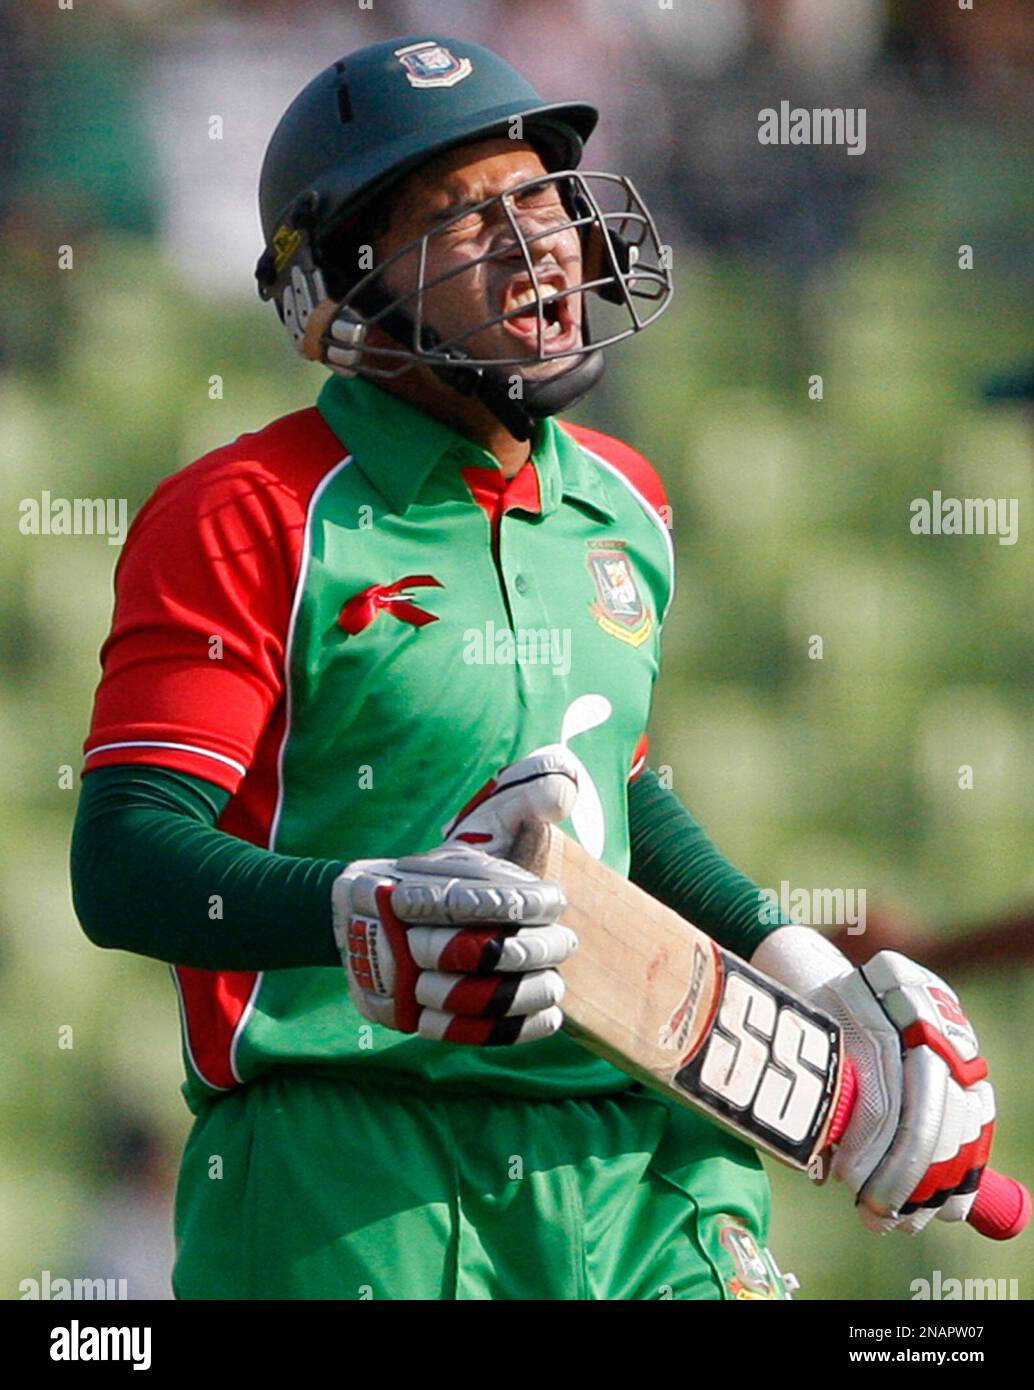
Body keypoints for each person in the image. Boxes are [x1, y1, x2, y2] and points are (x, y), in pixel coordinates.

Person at [71, 35, 998, 1301]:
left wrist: (799, 966)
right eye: (460, 216)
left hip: (642, 1165)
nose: (539, 238)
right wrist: (356, 911)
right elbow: (124, 861)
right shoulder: (249, 512)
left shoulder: (627, 501)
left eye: (539, 194)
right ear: (344, 288)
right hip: (355, 1176)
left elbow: (622, 794)